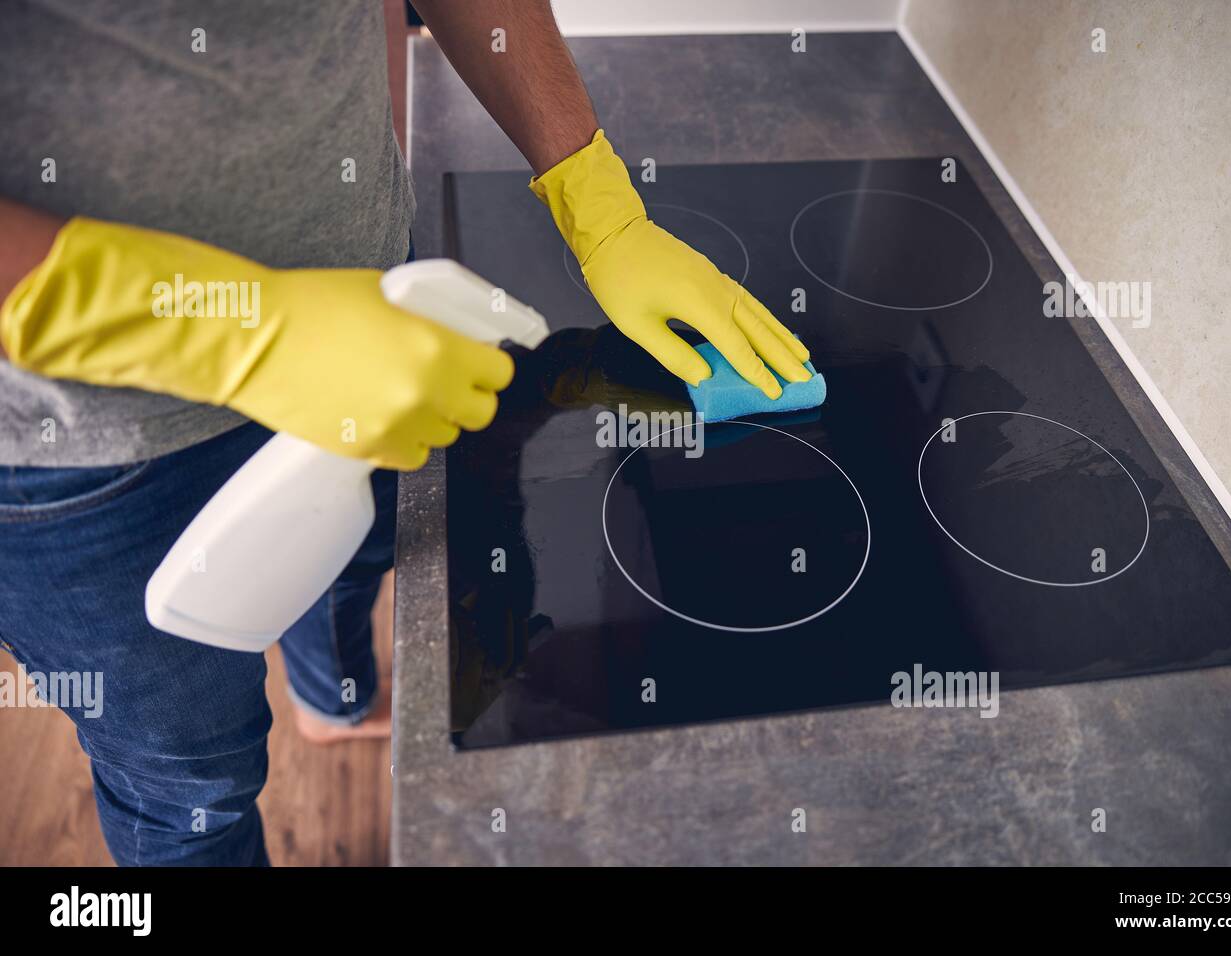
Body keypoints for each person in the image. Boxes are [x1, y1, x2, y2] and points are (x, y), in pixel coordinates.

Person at [0, 2, 811, 865]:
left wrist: (596, 199)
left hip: (371, 315)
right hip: (83, 446)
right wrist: (238, 333)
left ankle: (333, 700)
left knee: (353, 557)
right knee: (187, 785)